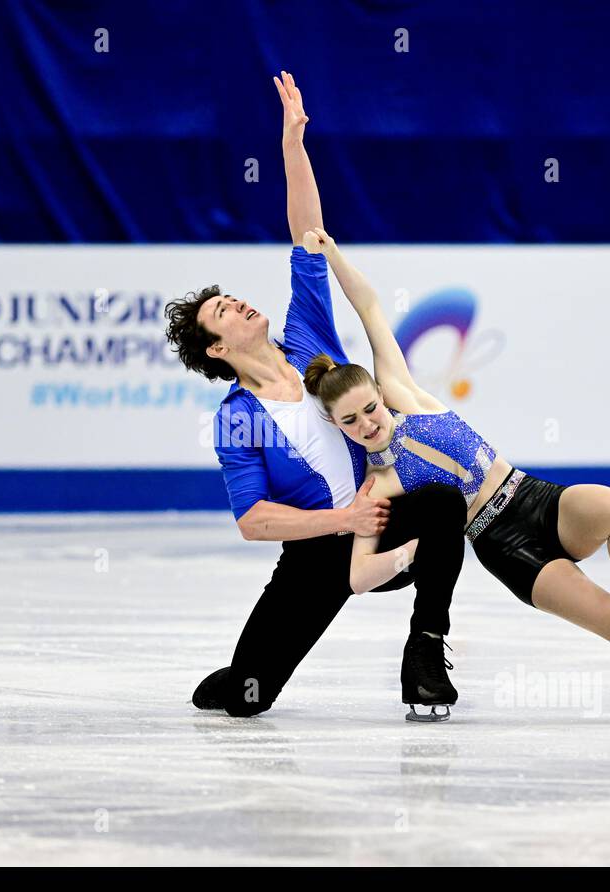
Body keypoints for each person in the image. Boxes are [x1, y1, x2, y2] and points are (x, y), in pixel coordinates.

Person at [299, 226, 610, 725]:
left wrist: (334, 253)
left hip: (533, 496)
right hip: (505, 547)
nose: (367, 424)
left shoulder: (404, 394)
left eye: (369, 409)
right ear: (337, 425)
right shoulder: (380, 481)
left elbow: (368, 306)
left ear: (377, 392)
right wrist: (413, 552)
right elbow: (358, 577)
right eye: (350, 422)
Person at [164, 72, 464, 720]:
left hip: (384, 522)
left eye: (234, 298)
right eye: (225, 311)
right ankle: (241, 670)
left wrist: (292, 143)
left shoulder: (307, 340)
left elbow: (308, 232)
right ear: (217, 348)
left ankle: (426, 654)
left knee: (441, 504)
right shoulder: (239, 420)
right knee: (245, 699)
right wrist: (340, 522)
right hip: (319, 551)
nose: (239, 303)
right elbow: (253, 521)